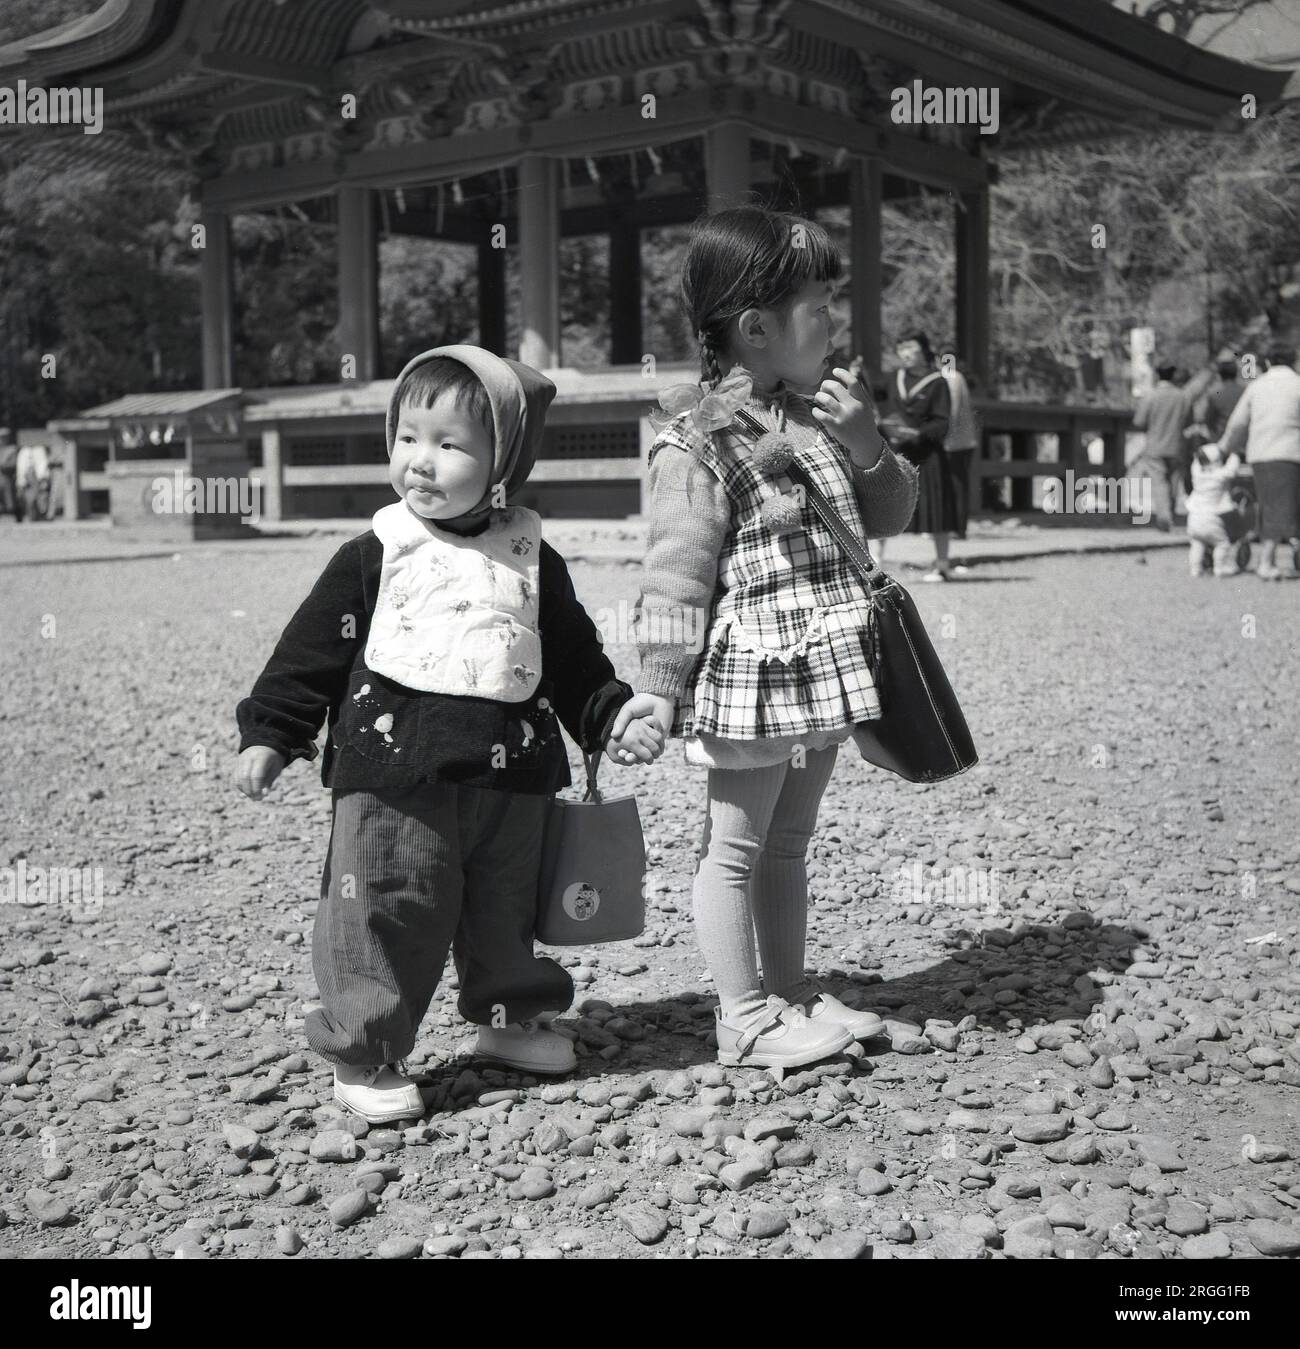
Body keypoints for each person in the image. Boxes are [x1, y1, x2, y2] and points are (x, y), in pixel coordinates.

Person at [235, 345, 665, 1123]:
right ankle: (367, 1047)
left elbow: (571, 658)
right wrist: (272, 729)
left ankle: (508, 1019)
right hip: (393, 772)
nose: (419, 461)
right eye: (406, 437)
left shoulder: (534, 559)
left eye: (449, 443)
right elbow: (309, 652)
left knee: (505, 906)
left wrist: (610, 711)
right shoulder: (374, 553)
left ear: (505, 461)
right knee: (385, 901)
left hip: (516, 778)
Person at [618, 206, 919, 1074]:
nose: (833, 322)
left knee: (790, 843)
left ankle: (788, 988)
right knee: (736, 847)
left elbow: (890, 515)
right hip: (754, 672)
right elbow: (676, 572)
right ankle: (742, 1015)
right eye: (818, 306)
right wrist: (659, 685)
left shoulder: (825, 418)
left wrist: (867, 441)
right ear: (756, 328)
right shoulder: (698, 442)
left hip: (823, 666)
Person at [874, 331, 952, 581]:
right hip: (896, 449)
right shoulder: (891, 378)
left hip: (926, 450)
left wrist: (917, 434)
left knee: (936, 506)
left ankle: (942, 564)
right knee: (883, 501)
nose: (905, 354)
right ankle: (875, 561)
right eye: (901, 348)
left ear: (923, 350)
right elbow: (871, 400)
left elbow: (942, 422)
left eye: (911, 348)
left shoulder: (937, 382)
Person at [1221, 340, 1300, 580]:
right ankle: (1266, 562)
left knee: (1269, 504)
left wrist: (1224, 447)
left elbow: (1237, 423)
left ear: (1266, 362)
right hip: (1291, 453)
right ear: (1294, 361)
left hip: (1261, 453)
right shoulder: (1298, 385)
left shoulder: (1257, 386)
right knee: (1282, 506)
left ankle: (1267, 558)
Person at [1131, 362, 1193, 530]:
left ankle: (1164, 516)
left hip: (1155, 445)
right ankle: (1170, 512)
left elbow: (1139, 421)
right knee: (1173, 481)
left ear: (1158, 375)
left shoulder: (1150, 396)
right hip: (1177, 445)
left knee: (1159, 481)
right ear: (1173, 376)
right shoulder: (1183, 397)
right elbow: (1189, 421)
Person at [938, 345, 980, 576]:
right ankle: (960, 526)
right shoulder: (959, 376)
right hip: (966, 440)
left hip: (953, 442)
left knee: (953, 486)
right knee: (960, 484)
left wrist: (942, 435)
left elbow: (951, 410)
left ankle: (957, 527)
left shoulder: (949, 378)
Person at [1185, 442, 1243, 578]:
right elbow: (1232, 470)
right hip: (1211, 519)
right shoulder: (1219, 475)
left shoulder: (1197, 474)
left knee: (1197, 544)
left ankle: (1195, 569)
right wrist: (1234, 454)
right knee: (1222, 543)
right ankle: (1220, 567)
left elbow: (1196, 462)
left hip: (1193, 518)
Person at [0, 428, 18, 521]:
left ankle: (11, 516)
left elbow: (13, 464)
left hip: (7, 478)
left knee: (9, 499)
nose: (2, 439)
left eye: (4, 437)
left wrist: (4, 465)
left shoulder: (12, 449)